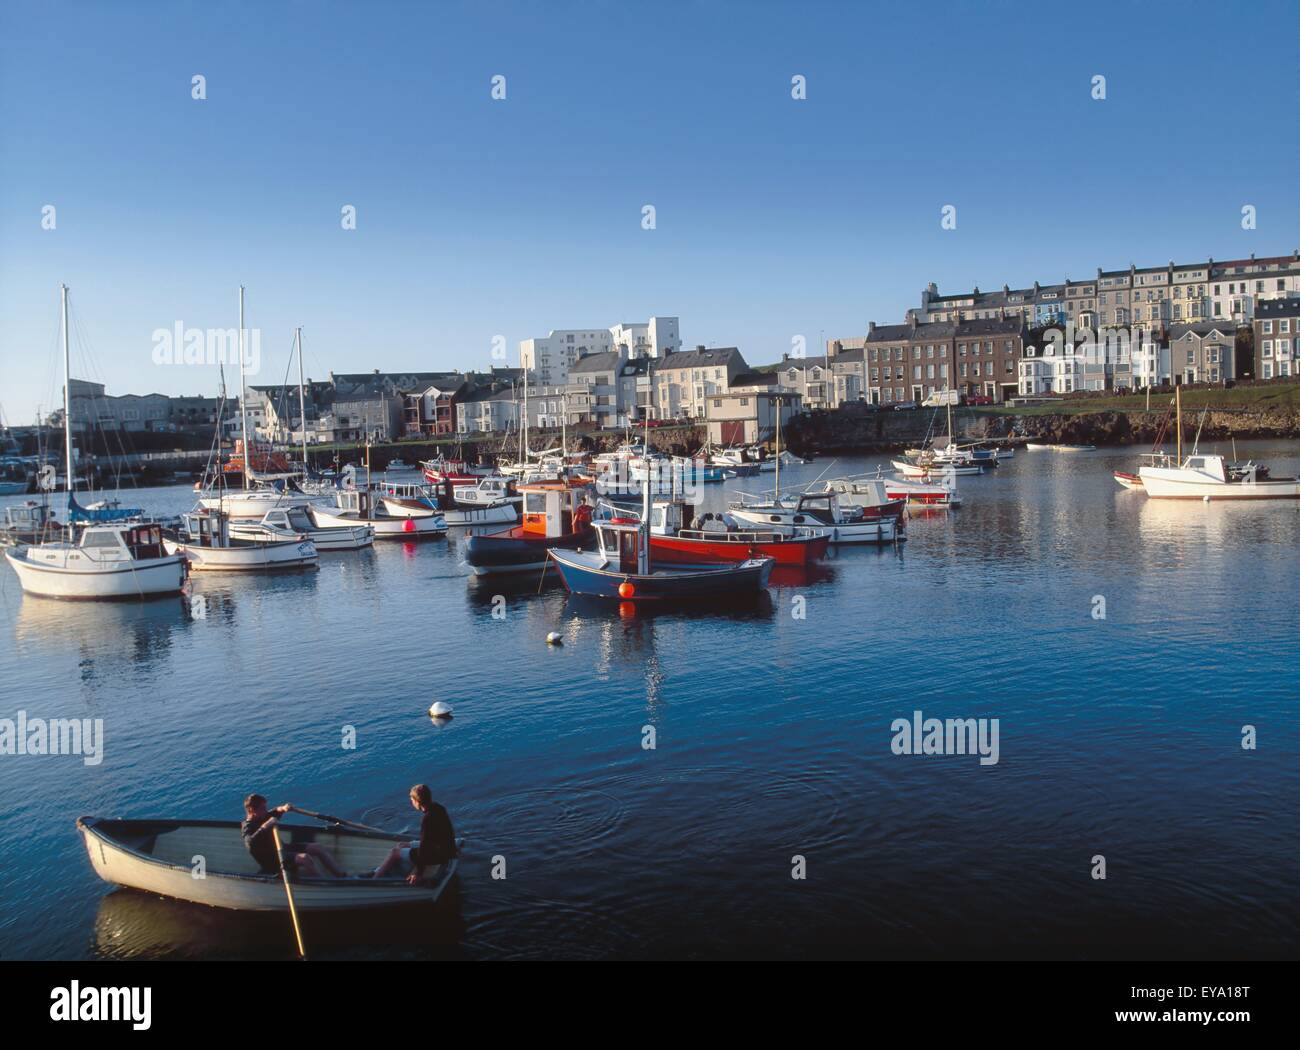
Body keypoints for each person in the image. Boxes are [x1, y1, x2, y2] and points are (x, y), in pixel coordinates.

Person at [241, 794, 347, 878]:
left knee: (317, 847)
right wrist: (265, 826)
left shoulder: (262, 816)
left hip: (284, 849)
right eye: (262, 808)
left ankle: (340, 875)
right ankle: (323, 884)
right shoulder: (247, 827)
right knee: (304, 858)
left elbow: (275, 811)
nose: (265, 810)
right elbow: (250, 842)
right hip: (275, 860)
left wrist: (283, 808)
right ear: (251, 810)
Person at [368, 784, 457, 883]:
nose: (411, 803)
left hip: (437, 855)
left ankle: (374, 879)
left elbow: (424, 849)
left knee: (395, 852)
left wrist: (418, 873)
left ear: (417, 801)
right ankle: (379, 870)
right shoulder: (439, 808)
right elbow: (449, 833)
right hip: (441, 847)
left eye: (411, 800)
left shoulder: (427, 819)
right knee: (402, 845)